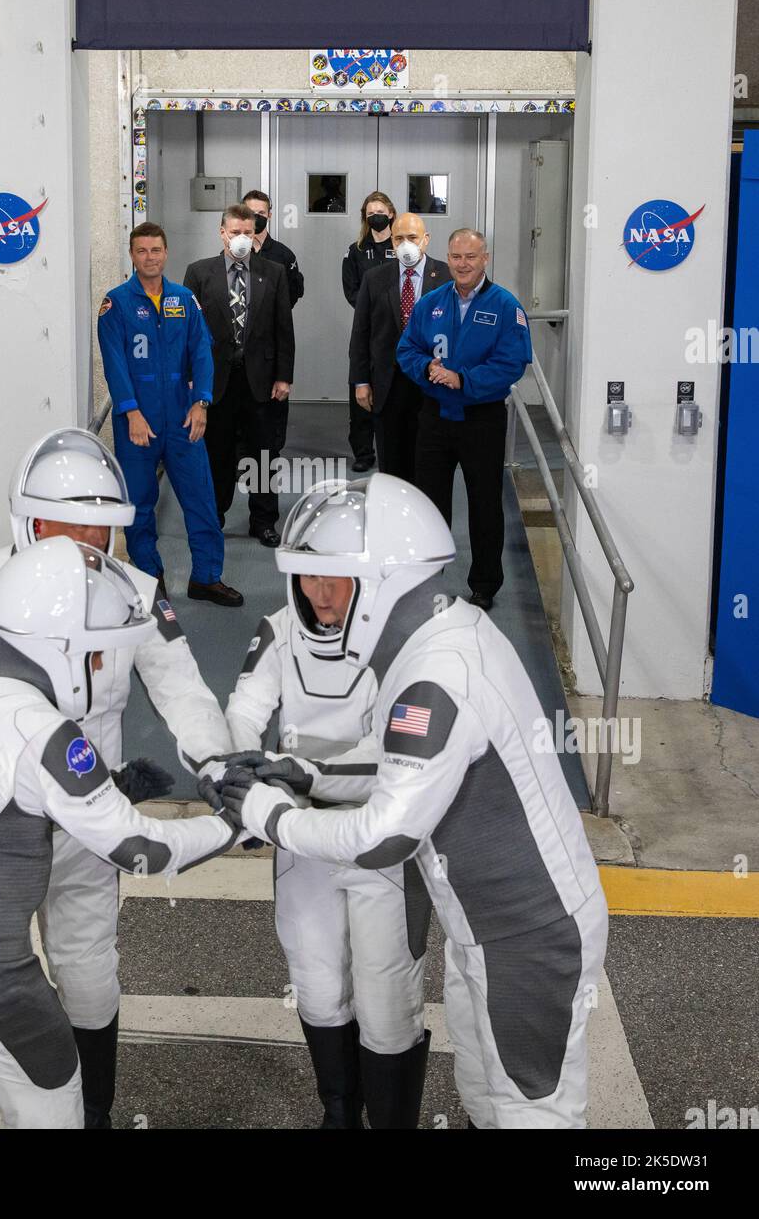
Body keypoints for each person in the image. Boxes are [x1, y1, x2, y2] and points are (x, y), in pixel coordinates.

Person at [214, 475, 609, 1130]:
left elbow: (383, 838)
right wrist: (303, 772)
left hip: (522, 937)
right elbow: (408, 771)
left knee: (531, 1113)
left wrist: (272, 816)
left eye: (333, 578)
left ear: (381, 582)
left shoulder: (431, 679)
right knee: (486, 1099)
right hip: (487, 930)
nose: (317, 597)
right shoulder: (449, 634)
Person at [0, 427, 234, 1127]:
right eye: (72, 528)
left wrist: (223, 773)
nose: (90, 548)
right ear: (29, 522)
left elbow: (184, 692)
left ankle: (96, 1114)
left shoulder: (135, 593)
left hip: (91, 825)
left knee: (87, 970)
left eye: (105, 531)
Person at [219, 577, 432, 1129]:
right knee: (316, 990)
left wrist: (302, 772)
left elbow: (392, 756)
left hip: (381, 844)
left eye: (335, 581)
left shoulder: (398, 638)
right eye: (309, 579)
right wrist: (247, 767)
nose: (323, 596)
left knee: (388, 1005)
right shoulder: (279, 628)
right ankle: (339, 1113)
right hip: (300, 838)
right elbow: (243, 711)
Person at [97, 222, 242, 607]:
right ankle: (149, 576)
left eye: (156, 250)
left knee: (201, 501)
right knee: (141, 505)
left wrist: (202, 402)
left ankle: (207, 578)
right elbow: (115, 366)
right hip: (138, 426)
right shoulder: (116, 305)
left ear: (166, 253)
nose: (150, 258)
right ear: (131, 255)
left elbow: (202, 353)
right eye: (142, 251)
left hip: (182, 421)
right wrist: (130, 413)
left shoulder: (184, 300)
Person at [397, 228, 531, 611]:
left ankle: (485, 584)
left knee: (485, 504)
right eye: (456, 257)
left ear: (485, 258)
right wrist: (427, 367)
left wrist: (463, 379)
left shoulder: (506, 306)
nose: (462, 264)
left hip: (481, 420)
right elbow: (406, 348)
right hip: (435, 419)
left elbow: (512, 362)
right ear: (448, 258)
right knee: (431, 504)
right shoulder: (431, 303)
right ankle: (427, 579)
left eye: (470, 257)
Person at [183, 204, 295, 548]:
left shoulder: (273, 272)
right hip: (215, 381)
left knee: (263, 453)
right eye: (235, 233)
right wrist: (190, 377)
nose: (242, 239)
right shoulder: (199, 273)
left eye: (248, 232)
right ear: (222, 233)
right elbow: (188, 332)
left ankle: (263, 520)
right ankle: (215, 514)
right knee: (217, 452)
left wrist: (283, 377)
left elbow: (283, 328)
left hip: (260, 379)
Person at [349, 213, 450, 482]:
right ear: (392, 242)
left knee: (429, 465)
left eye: (412, 238)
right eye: (399, 238)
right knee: (392, 466)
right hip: (387, 384)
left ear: (425, 240)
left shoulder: (446, 277)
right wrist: (360, 381)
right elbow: (361, 334)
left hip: (432, 384)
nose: (406, 244)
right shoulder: (374, 278)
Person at [243, 188, 303, 453]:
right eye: (250, 213)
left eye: (261, 213)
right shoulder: (234, 251)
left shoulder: (282, 255)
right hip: (240, 344)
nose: (256, 217)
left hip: (270, 342)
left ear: (269, 214)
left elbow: (294, 292)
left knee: (273, 406)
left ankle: (271, 454)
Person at [341, 192, 397, 472]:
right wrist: (370, 310)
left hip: (397, 330)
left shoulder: (401, 246)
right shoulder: (356, 251)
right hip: (366, 329)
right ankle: (363, 452)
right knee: (360, 390)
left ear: (391, 214)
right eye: (370, 211)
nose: (376, 215)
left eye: (381, 210)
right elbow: (351, 289)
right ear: (365, 216)